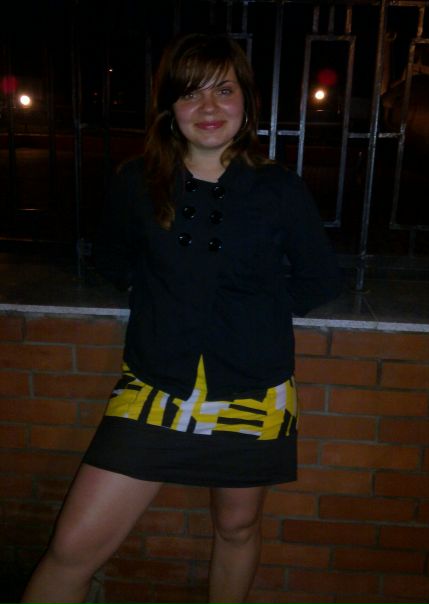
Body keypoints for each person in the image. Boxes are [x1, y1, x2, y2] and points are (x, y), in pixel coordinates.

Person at [20, 32, 342, 604]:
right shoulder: (136, 181)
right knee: (72, 548)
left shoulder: (279, 189)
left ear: (246, 102)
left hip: (253, 390)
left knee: (237, 527)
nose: (209, 107)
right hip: (152, 387)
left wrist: (256, 315)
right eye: (191, 93)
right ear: (170, 106)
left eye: (224, 90)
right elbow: (111, 260)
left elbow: (320, 278)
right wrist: (163, 300)